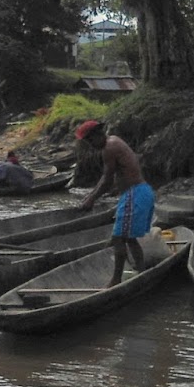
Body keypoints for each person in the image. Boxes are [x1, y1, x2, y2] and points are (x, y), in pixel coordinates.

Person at [75, 119, 154, 287]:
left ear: (98, 134)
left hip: (135, 194)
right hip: (138, 192)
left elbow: (107, 179)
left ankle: (116, 280)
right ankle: (141, 272)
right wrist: (90, 195)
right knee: (130, 238)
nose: (90, 145)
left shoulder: (109, 148)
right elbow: (113, 177)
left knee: (118, 238)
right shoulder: (114, 141)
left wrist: (91, 199)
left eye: (90, 140)